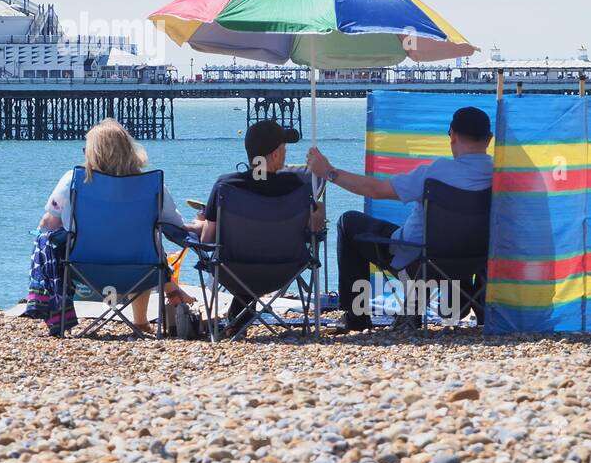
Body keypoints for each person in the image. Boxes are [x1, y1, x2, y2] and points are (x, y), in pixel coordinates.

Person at [306, 105, 493, 331]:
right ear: (489, 139)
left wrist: (329, 172)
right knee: (454, 238)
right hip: (474, 259)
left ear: (452, 136)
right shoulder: (501, 176)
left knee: (349, 223)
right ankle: (467, 300)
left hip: (420, 261)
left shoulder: (435, 173)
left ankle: (356, 317)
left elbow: (376, 189)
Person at [35, 118, 200, 335]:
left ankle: (60, 318)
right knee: (146, 244)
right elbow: (174, 226)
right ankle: (141, 321)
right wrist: (199, 228)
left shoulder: (72, 180)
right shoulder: (152, 184)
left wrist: (41, 234)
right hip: (143, 271)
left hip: (82, 269)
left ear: (93, 153)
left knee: (51, 243)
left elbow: (49, 223)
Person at [199, 120, 325, 336]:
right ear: (275, 155)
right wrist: (319, 210)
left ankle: (238, 320)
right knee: (261, 245)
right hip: (286, 269)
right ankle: (239, 319)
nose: (285, 155)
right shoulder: (298, 186)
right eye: (284, 149)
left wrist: (199, 224)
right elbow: (313, 229)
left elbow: (207, 240)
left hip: (233, 270)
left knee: (245, 248)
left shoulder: (226, 186)